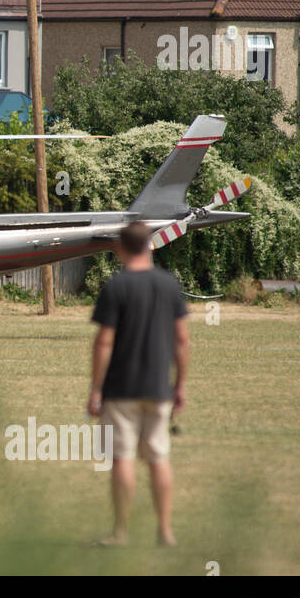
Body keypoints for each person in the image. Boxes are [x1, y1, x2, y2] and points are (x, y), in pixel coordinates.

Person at [87, 221, 190, 547]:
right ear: (150, 245)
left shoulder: (115, 286)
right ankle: (165, 531)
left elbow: (104, 342)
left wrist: (96, 388)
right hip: (158, 387)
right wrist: (180, 385)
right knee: (159, 458)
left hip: (121, 388)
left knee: (123, 459)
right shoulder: (169, 284)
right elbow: (182, 339)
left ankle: (120, 532)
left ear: (120, 248)